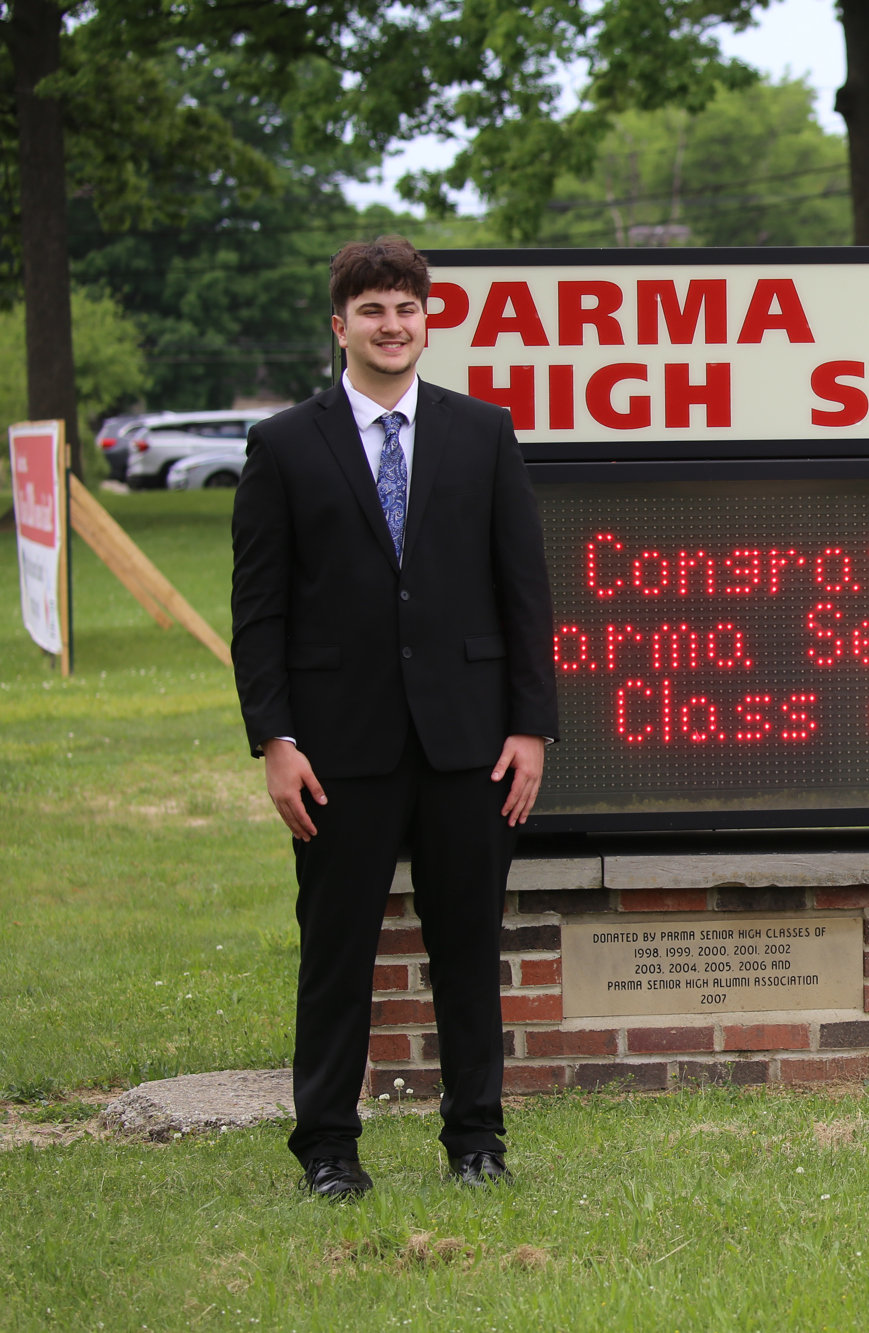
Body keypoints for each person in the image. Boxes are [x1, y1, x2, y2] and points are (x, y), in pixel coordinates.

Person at [232, 236, 559, 1197]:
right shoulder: (286, 444)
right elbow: (260, 610)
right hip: (339, 748)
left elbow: (524, 593)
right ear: (341, 326)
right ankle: (329, 1149)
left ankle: (478, 1142)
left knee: (469, 951)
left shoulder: (482, 433)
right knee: (338, 957)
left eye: (408, 308)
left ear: (429, 321)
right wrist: (275, 740)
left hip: (470, 743)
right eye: (373, 310)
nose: (392, 325)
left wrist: (530, 726)